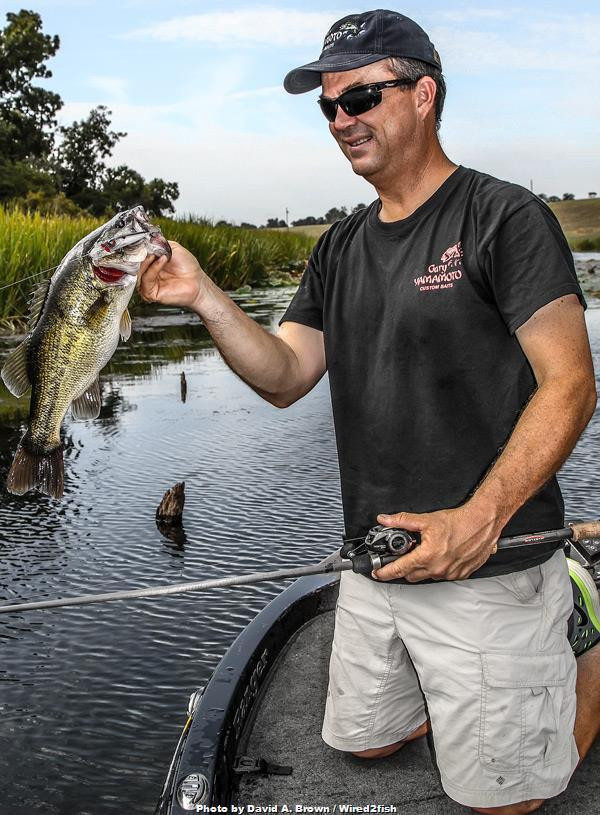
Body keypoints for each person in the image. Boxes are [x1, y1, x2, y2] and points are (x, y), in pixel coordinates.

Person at [138, 10, 600, 813]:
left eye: (361, 98)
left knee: (511, 798)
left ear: (424, 95)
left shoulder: (503, 217)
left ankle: (581, 659)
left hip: (487, 557)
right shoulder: (339, 245)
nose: (341, 121)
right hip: (377, 557)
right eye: (328, 107)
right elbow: (285, 375)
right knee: (364, 741)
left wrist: (481, 518)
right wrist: (204, 296)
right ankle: (471, 687)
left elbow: (571, 383)